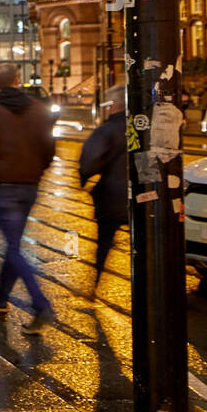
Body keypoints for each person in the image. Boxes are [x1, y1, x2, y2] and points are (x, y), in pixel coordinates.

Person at [0, 62, 57, 333]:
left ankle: (41, 305)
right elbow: (48, 146)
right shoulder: (37, 108)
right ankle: (0, 297)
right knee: (14, 244)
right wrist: (38, 171)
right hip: (29, 185)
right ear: (17, 79)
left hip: (2, 185)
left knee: (13, 247)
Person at [79, 84, 127, 293]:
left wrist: (84, 177)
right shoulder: (145, 127)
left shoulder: (107, 130)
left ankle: (96, 282)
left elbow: (89, 161)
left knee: (104, 241)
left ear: (114, 105)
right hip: (143, 197)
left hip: (112, 196)